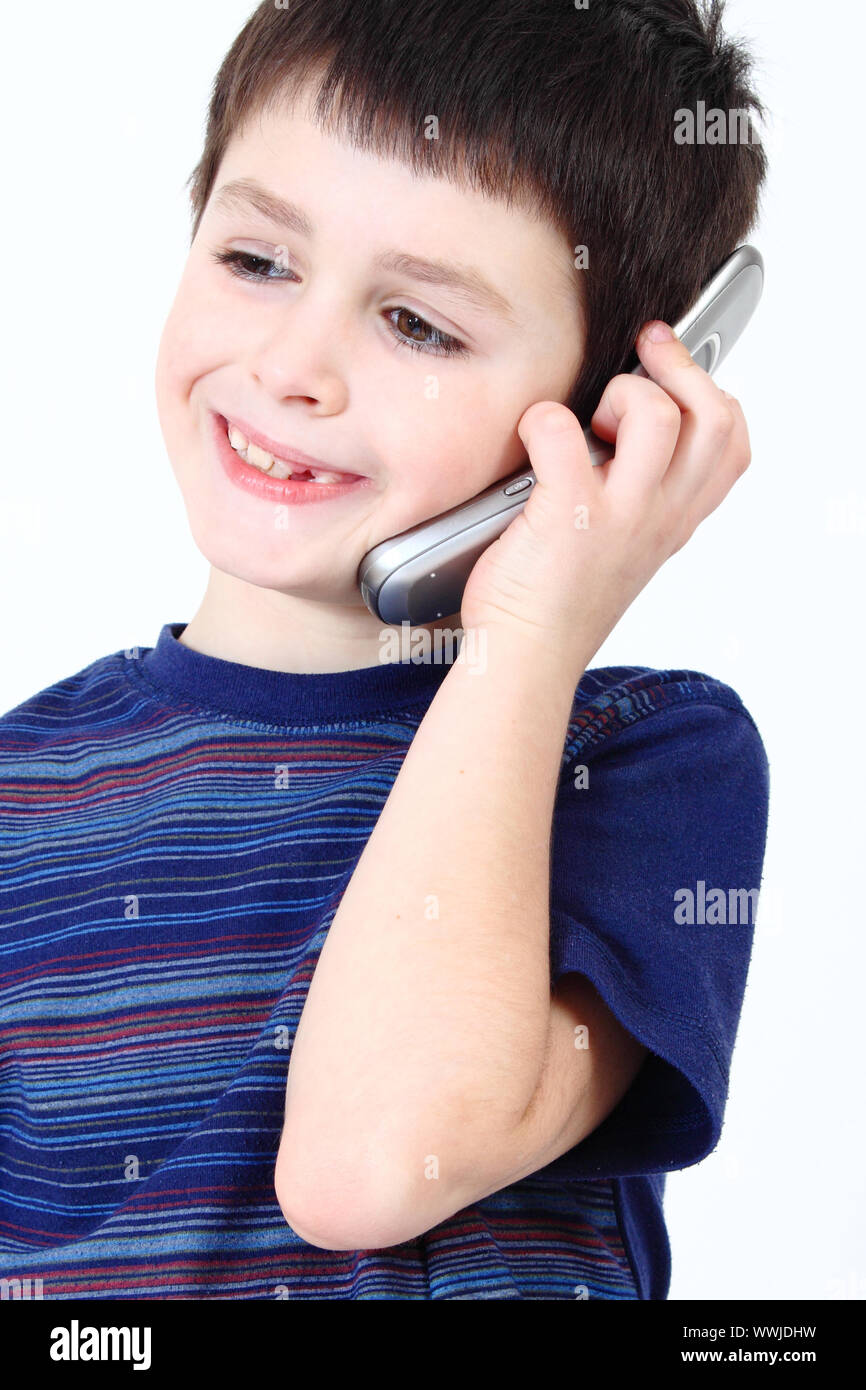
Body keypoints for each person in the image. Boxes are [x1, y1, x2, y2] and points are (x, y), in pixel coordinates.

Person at [0, 0, 770, 1299]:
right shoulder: (23, 789)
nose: (293, 364)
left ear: (603, 413)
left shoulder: (641, 762)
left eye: (416, 324)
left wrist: (528, 633)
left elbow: (370, 1160)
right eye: (257, 259)